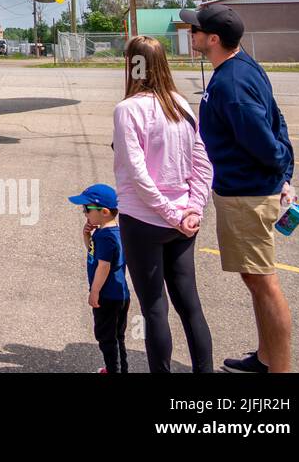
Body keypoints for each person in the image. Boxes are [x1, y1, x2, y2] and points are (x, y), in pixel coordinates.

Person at [181, 3, 296, 373]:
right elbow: (277, 118)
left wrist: (281, 172)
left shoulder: (232, 84)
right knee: (255, 278)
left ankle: (278, 369)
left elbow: (263, 140)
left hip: (246, 195)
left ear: (213, 39)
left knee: (264, 283)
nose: (190, 33)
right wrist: (284, 173)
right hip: (245, 190)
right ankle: (265, 358)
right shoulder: (242, 66)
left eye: (195, 30)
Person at [113, 35, 214, 373]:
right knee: (190, 304)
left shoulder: (127, 110)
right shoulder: (182, 105)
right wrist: (193, 209)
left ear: (132, 66)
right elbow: (203, 164)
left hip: (146, 222)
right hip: (183, 223)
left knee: (155, 308)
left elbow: (139, 175)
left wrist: (172, 215)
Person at [69, 184, 130, 374]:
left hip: (108, 295)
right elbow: (94, 253)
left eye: (86, 209)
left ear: (104, 212)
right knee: (115, 336)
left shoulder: (107, 237)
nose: (84, 213)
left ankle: (114, 370)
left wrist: (94, 292)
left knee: (107, 337)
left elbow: (104, 267)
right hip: (118, 295)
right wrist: (86, 235)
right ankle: (118, 369)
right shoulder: (109, 233)